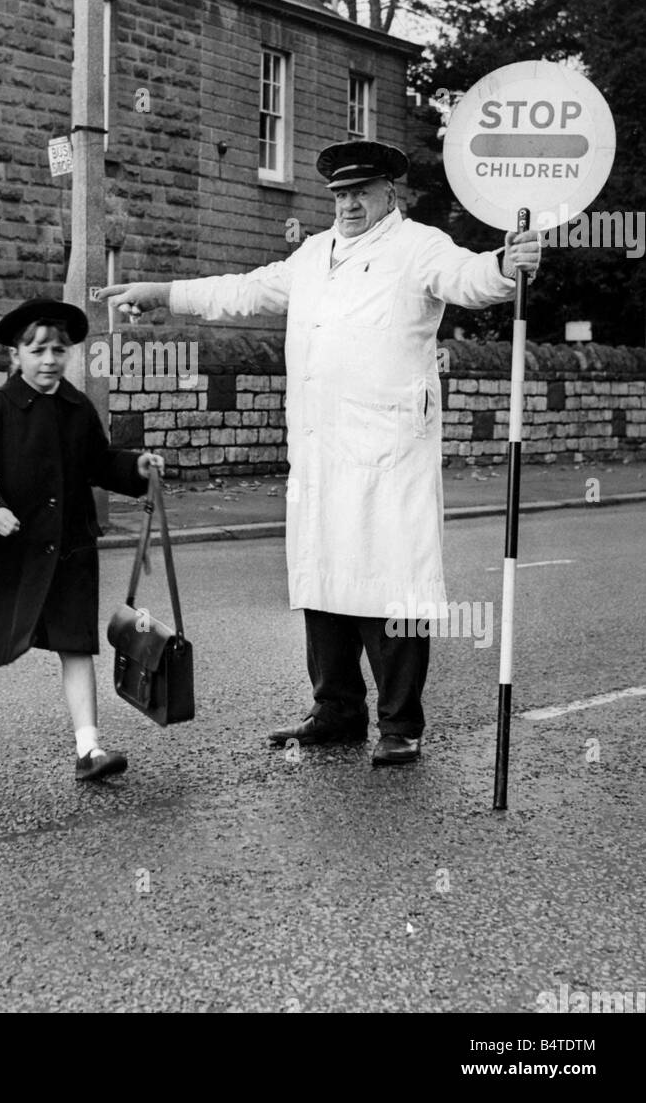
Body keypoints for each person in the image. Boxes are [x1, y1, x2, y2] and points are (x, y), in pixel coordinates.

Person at [99, 139, 543, 767]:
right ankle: (335, 709)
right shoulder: (312, 255)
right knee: (326, 582)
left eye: (361, 192)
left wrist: (506, 261)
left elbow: (470, 279)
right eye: (339, 193)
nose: (348, 204)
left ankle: (400, 724)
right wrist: (162, 290)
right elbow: (243, 291)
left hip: (389, 454)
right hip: (320, 450)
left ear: (392, 193)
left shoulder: (419, 247)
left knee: (393, 588)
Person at [0, 298, 163, 781]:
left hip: (67, 545)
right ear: (15, 356)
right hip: (6, 546)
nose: (49, 360)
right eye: (38, 349)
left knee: (75, 641)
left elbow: (99, 462)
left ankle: (89, 748)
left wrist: (136, 467)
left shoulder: (76, 408)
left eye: (59, 350)